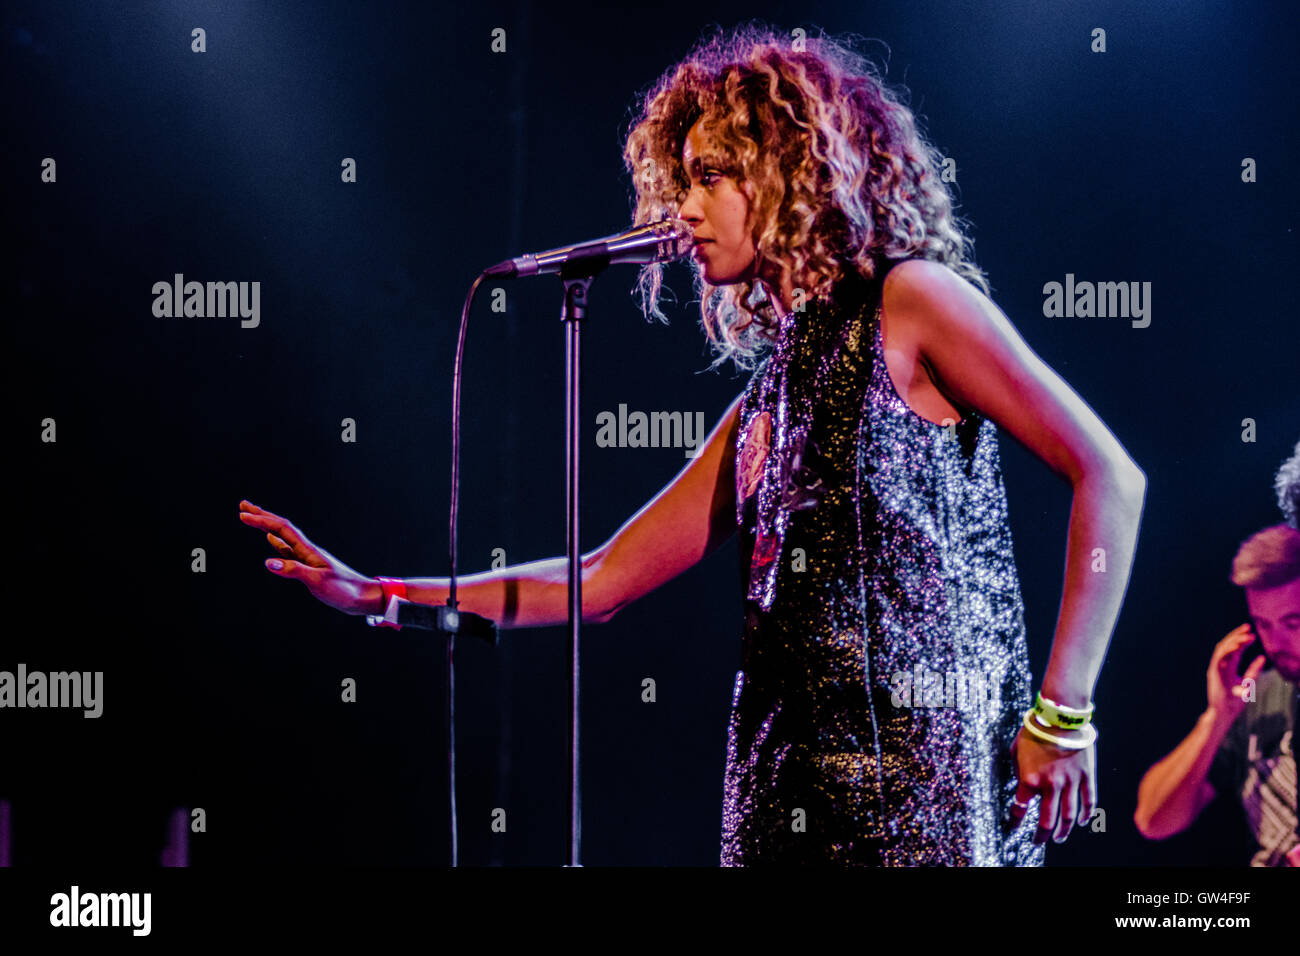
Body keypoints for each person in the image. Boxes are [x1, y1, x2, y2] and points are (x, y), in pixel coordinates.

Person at [239, 23, 1147, 866]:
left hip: (923, 786)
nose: (685, 207)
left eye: (714, 175)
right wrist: (379, 594)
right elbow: (601, 579)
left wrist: (1064, 712)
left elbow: (1108, 474)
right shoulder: (768, 404)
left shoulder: (911, 304)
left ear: (796, 169)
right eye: (681, 182)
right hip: (782, 790)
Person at [1134, 523, 1300, 866]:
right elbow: (1153, 819)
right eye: (1263, 624)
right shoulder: (1259, 694)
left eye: (1293, 623)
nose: (1275, 643)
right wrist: (1217, 717)